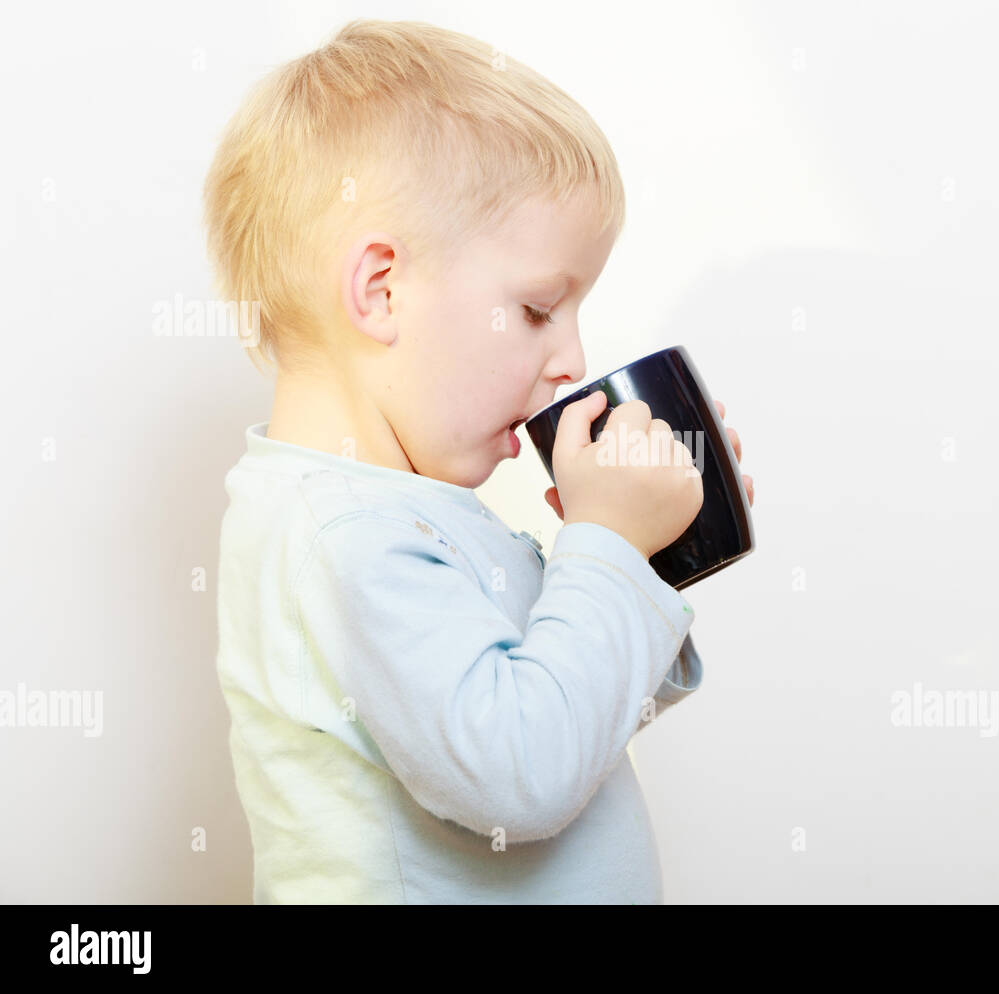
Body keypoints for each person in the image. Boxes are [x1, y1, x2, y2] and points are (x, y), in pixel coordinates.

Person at [204, 18, 753, 903]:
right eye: (539, 309)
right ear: (382, 291)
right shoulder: (345, 537)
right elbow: (524, 774)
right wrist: (605, 546)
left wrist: (642, 562)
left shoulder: (404, 511)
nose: (571, 359)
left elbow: (579, 732)